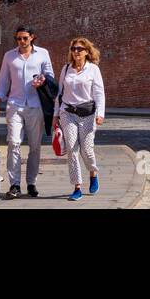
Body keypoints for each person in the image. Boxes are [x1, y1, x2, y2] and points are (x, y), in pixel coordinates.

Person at [0, 26, 55, 199]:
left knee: (35, 146)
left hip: (36, 106)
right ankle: (14, 184)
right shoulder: (9, 56)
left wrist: (42, 80)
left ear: (32, 38)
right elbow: (3, 80)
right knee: (13, 142)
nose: (21, 41)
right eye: (18, 38)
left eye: (25, 38)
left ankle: (31, 182)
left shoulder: (43, 54)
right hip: (15, 104)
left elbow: (50, 76)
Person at [55, 36, 106, 200]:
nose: (76, 52)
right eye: (73, 49)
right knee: (71, 148)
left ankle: (93, 172)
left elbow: (99, 93)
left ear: (86, 52)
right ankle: (77, 186)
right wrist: (56, 114)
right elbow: (59, 94)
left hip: (88, 114)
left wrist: (100, 113)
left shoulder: (93, 69)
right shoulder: (65, 69)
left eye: (79, 49)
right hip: (68, 113)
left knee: (87, 149)